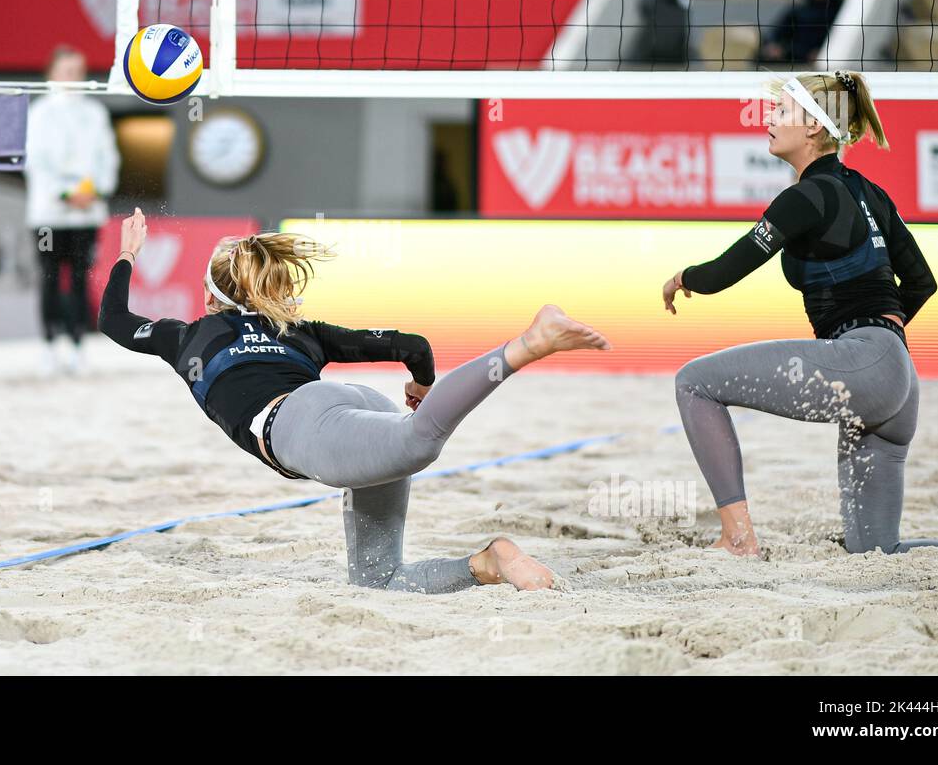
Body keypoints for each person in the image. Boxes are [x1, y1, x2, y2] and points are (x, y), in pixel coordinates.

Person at [100, 209, 612, 593]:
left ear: (211, 298)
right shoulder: (299, 330)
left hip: (302, 424)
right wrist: (421, 386)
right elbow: (413, 345)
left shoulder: (183, 336)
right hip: (352, 408)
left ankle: (526, 346)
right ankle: (489, 563)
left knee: (420, 443)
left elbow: (114, 320)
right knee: (379, 580)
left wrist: (127, 254)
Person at [663, 71, 938, 557]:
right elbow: (923, 282)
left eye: (782, 113)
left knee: (694, 383)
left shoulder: (804, 198)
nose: (769, 121)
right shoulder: (872, 193)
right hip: (898, 381)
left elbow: (722, 273)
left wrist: (682, 278)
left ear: (814, 128)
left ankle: (738, 540)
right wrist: (885, 336)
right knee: (877, 552)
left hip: (862, 365)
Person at [25, 46, 121, 374]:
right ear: (52, 74)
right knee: (50, 278)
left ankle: (79, 346)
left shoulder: (95, 113)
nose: (73, 78)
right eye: (67, 71)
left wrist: (93, 191)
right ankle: (50, 345)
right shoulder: (39, 113)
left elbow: (108, 158)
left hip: (86, 212)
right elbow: (36, 161)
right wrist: (65, 193)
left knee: (81, 279)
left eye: (78, 71)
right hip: (48, 214)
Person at [759, 0, 844, 65]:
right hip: (798, 64)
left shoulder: (843, 9)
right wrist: (773, 47)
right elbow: (773, 37)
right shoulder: (797, 11)